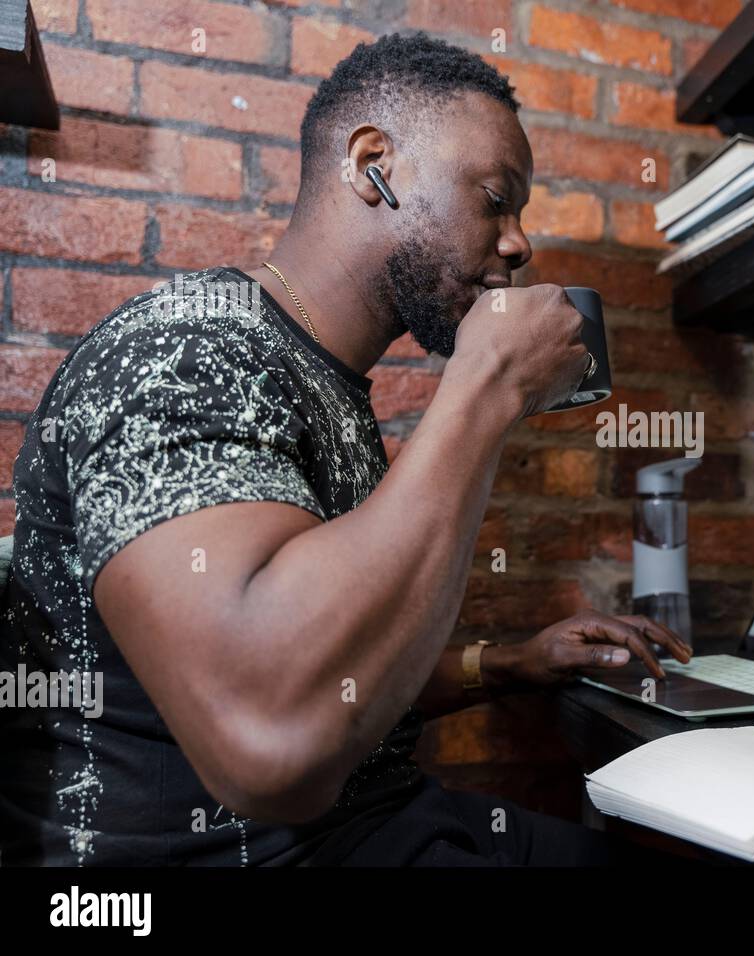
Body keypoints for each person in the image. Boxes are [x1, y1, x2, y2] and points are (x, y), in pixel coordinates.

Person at [0, 32, 691, 866]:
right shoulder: (183, 351)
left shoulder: (323, 385)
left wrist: (504, 665)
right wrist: (485, 390)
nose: (518, 243)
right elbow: (272, 739)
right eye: (495, 198)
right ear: (374, 164)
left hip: (373, 824)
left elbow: (339, 674)